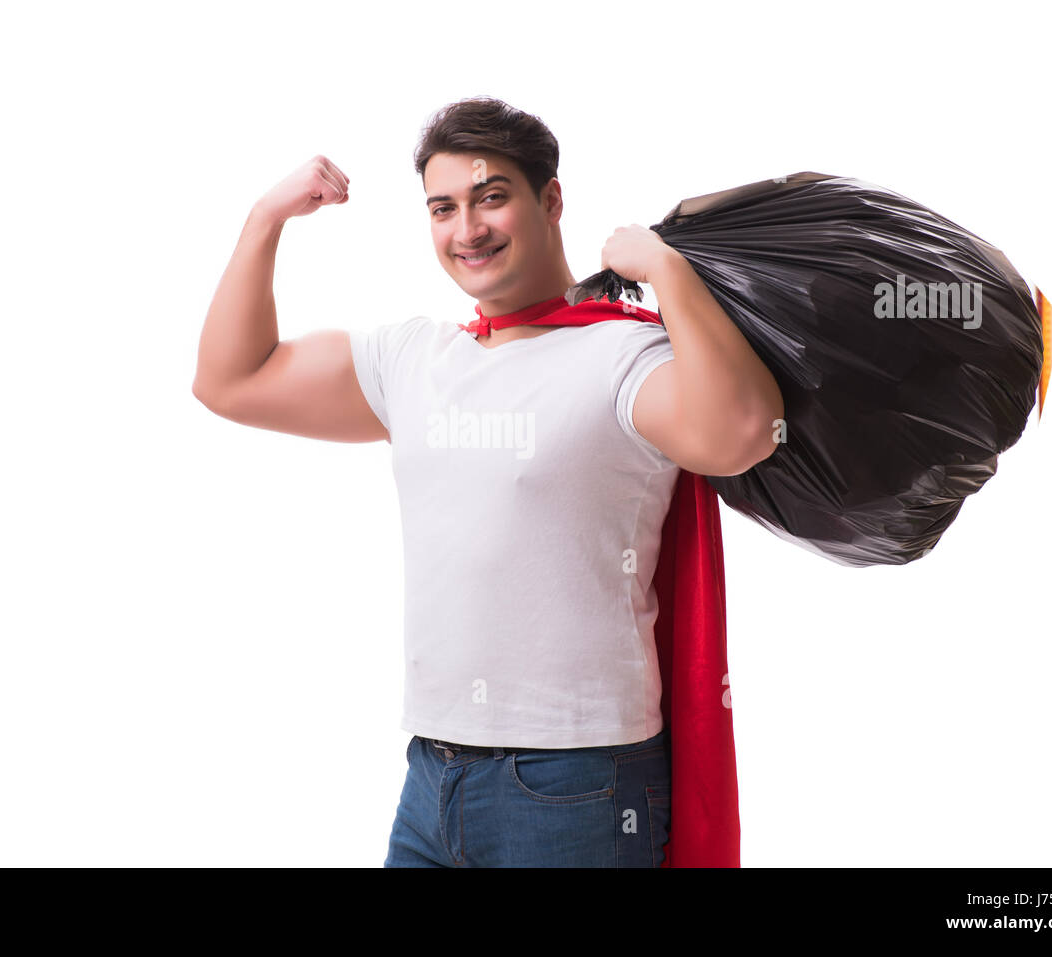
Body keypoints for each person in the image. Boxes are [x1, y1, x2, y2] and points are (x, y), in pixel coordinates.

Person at [191, 97, 783, 867]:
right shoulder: (415, 359)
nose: (466, 229)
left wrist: (667, 271)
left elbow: (740, 432)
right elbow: (229, 380)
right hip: (433, 774)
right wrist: (264, 218)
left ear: (552, 199)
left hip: (575, 786)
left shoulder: (621, 359)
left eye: (491, 197)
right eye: (443, 208)